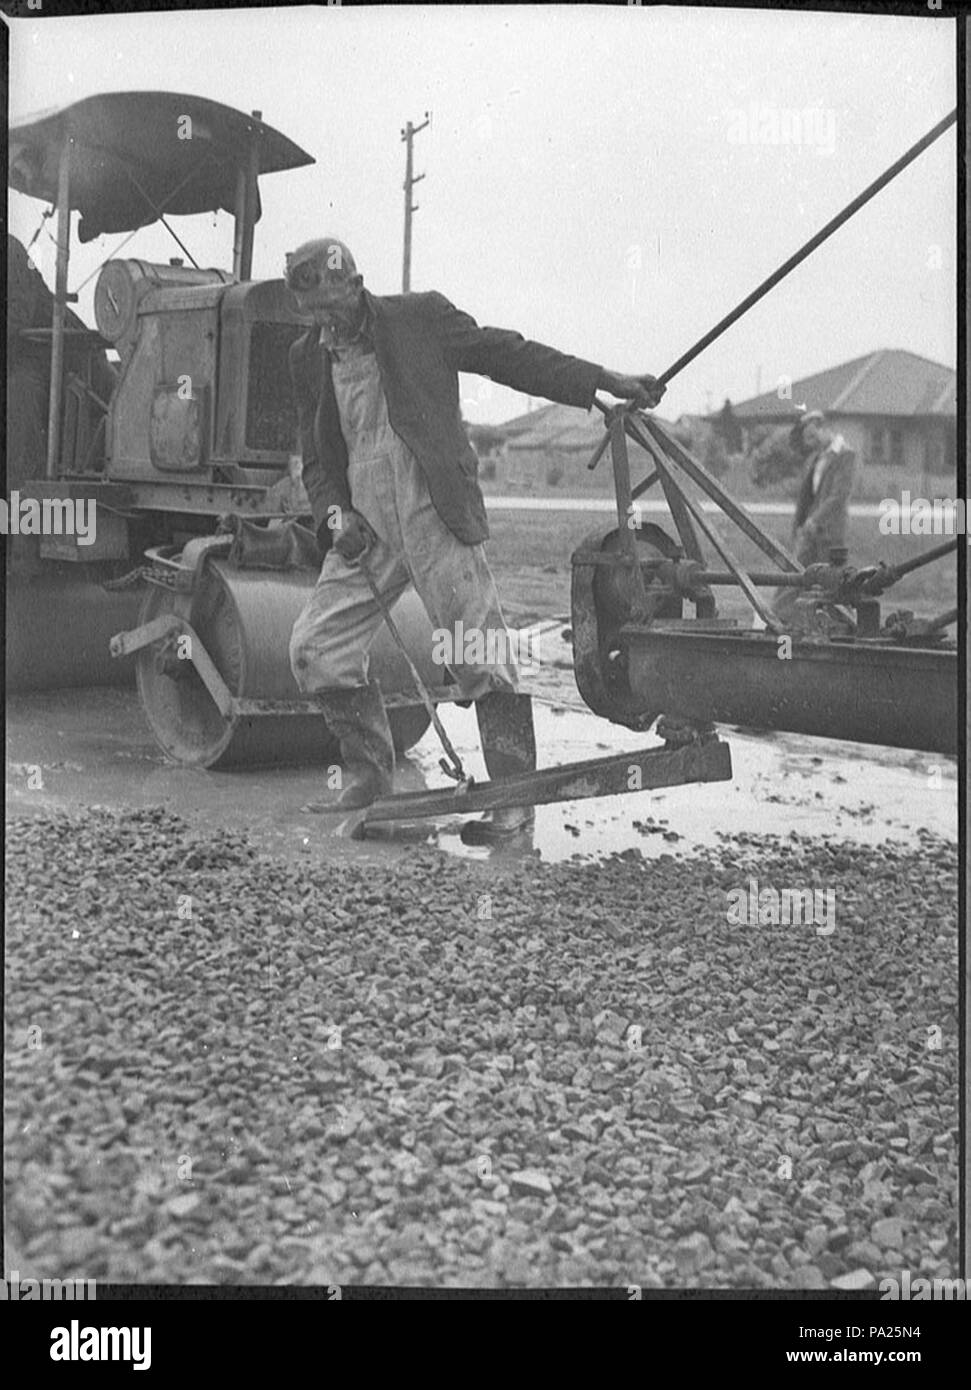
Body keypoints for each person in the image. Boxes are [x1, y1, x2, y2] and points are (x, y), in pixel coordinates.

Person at [285, 237, 665, 840]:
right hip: (369, 530)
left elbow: (503, 353)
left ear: (355, 286)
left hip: (434, 512)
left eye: (332, 308)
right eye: (313, 314)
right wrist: (336, 517)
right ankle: (367, 776)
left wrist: (598, 380)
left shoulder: (418, 319)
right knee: (314, 647)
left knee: (479, 654)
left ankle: (513, 804)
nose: (325, 325)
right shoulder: (307, 356)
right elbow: (315, 460)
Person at [773, 410, 856, 626]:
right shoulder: (818, 458)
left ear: (823, 428)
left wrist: (815, 520)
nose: (810, 443)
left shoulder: (845, 455)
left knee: (834, 586)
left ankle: (847, 627)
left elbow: (838, 496)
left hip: (830, 533)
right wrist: (801, 525)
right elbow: (809, 497)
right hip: (811, 533)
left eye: (812, 437)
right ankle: (779, 621)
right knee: (794, 577)